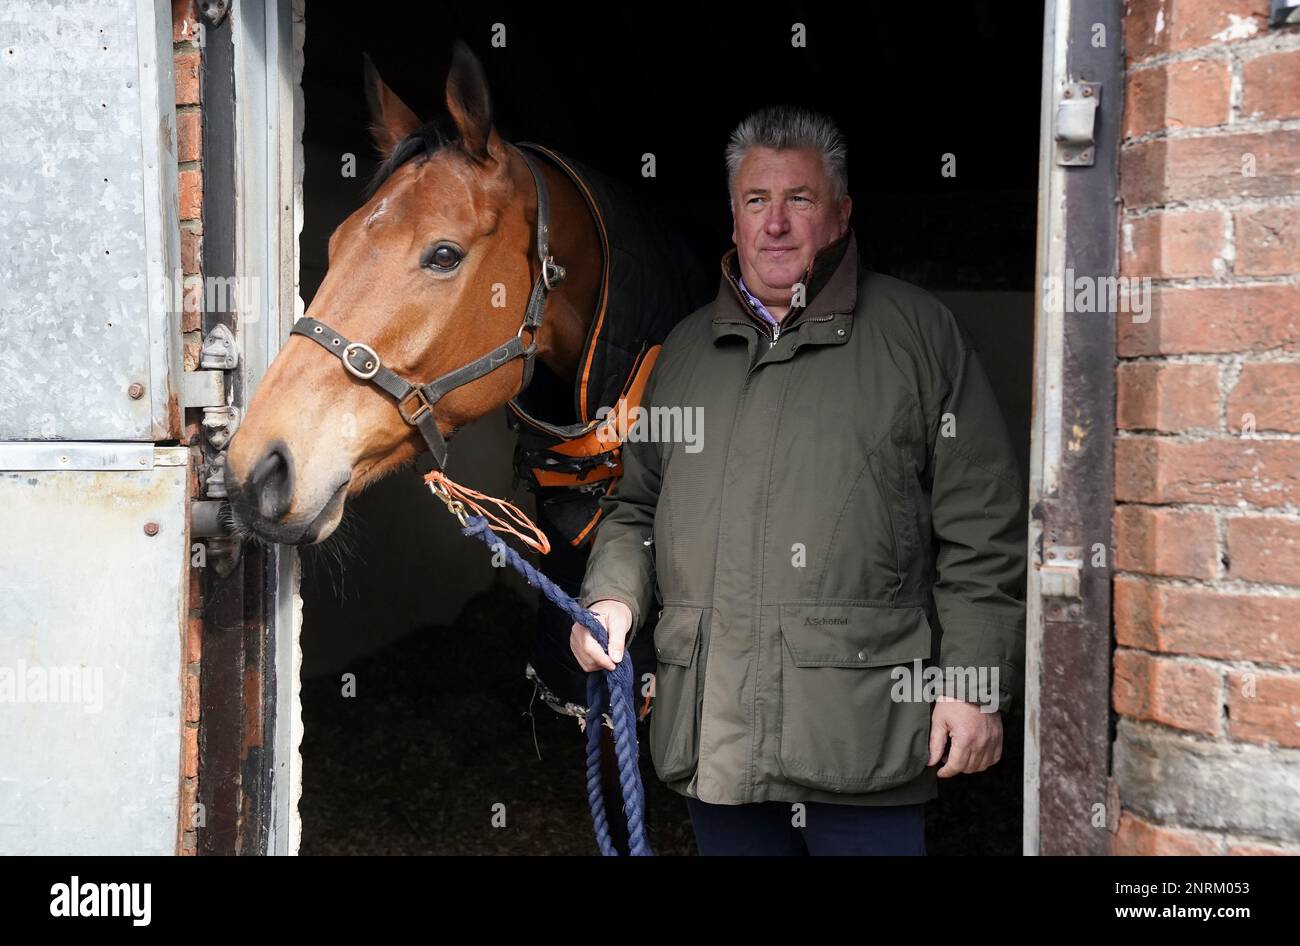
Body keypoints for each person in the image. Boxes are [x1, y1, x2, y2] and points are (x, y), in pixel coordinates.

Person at [571, 105, 1026, 856]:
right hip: (717, 742)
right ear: (733, 216)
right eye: (757, 201)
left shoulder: (918, 336)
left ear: (841, 213)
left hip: (862, 743)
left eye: (799, 200)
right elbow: (635, 509)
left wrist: (973, 685)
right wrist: (612, 597)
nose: (775, 224)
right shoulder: (685, 352)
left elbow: (983, 529)